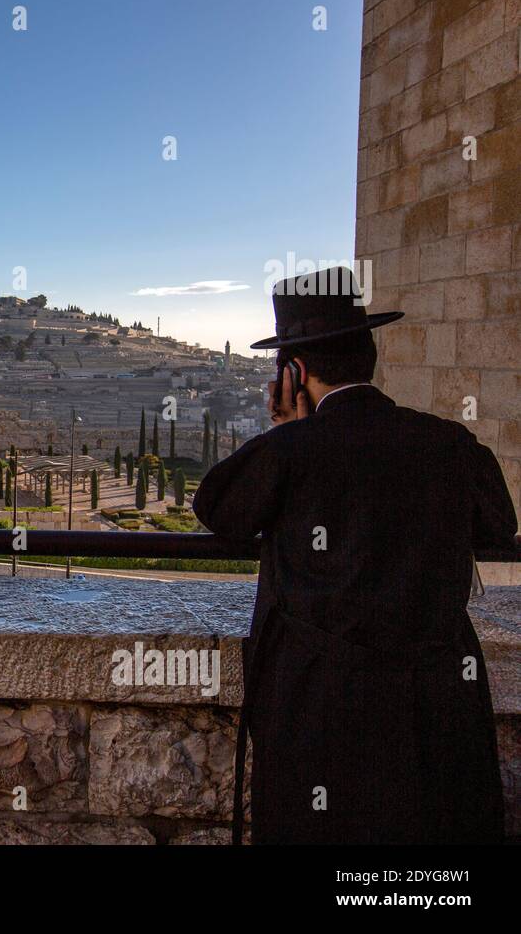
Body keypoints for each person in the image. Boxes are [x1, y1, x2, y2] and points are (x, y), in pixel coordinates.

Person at [193, 266, 517, 844]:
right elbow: (498, 525)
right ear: (369, 356)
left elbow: (220, 509)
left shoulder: (289, 453)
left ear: (293, 372)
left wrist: (288, 432)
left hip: (323, 708)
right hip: (436, 707)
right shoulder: (448, 444)